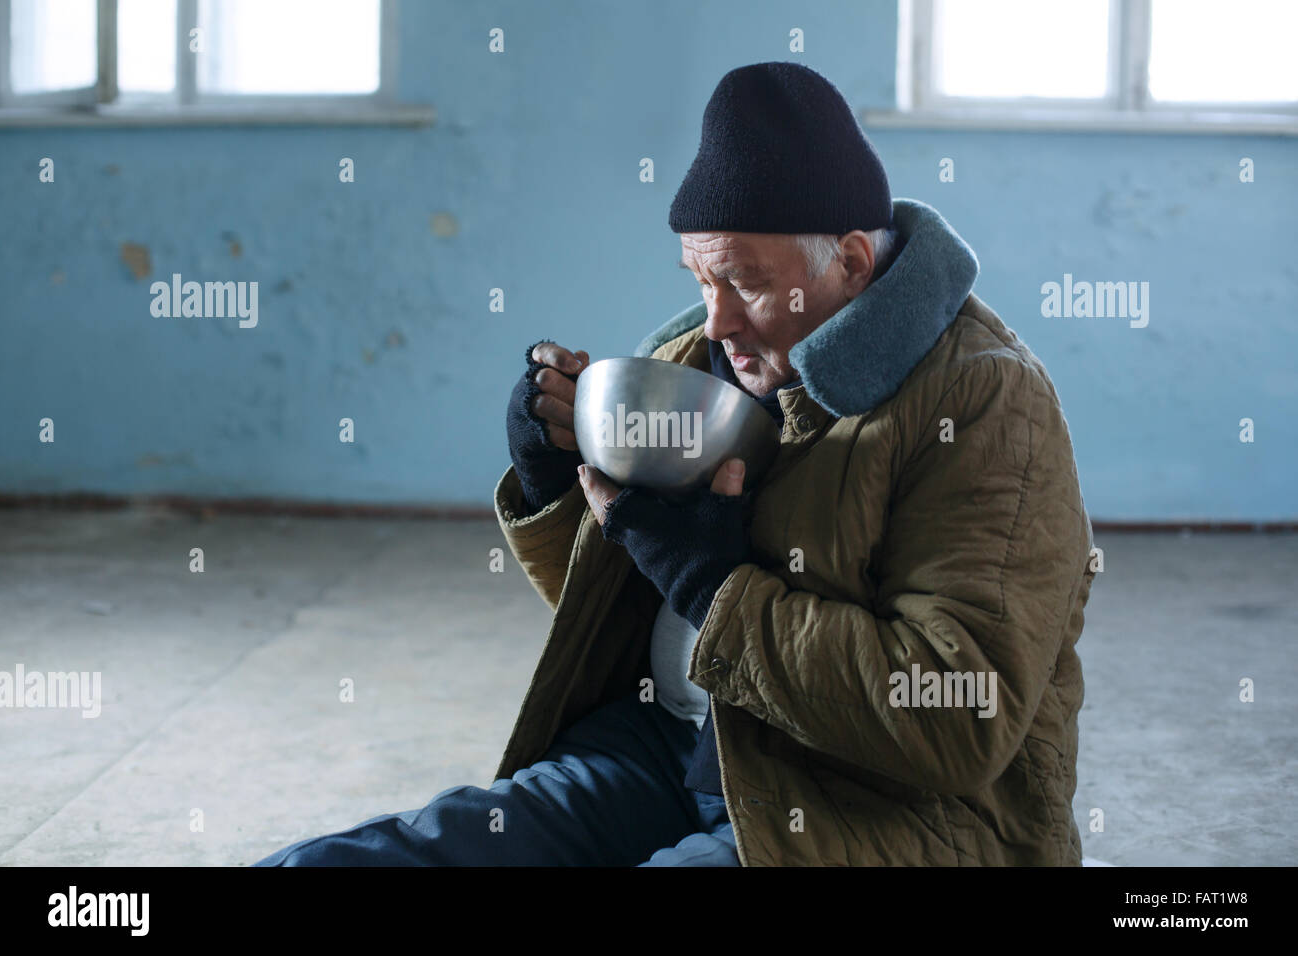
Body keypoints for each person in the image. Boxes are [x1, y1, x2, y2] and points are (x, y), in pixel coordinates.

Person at [255, 61, 1095, 867]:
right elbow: (638, 597)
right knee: (397, 856)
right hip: (672, 744)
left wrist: (713, 587)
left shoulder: (986, 403)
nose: (718, 321)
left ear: (849, 263)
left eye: (746, 283)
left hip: (867, 809)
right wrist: (560, 486)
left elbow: (961, 717)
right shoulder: (697, 362)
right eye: (699, 280)